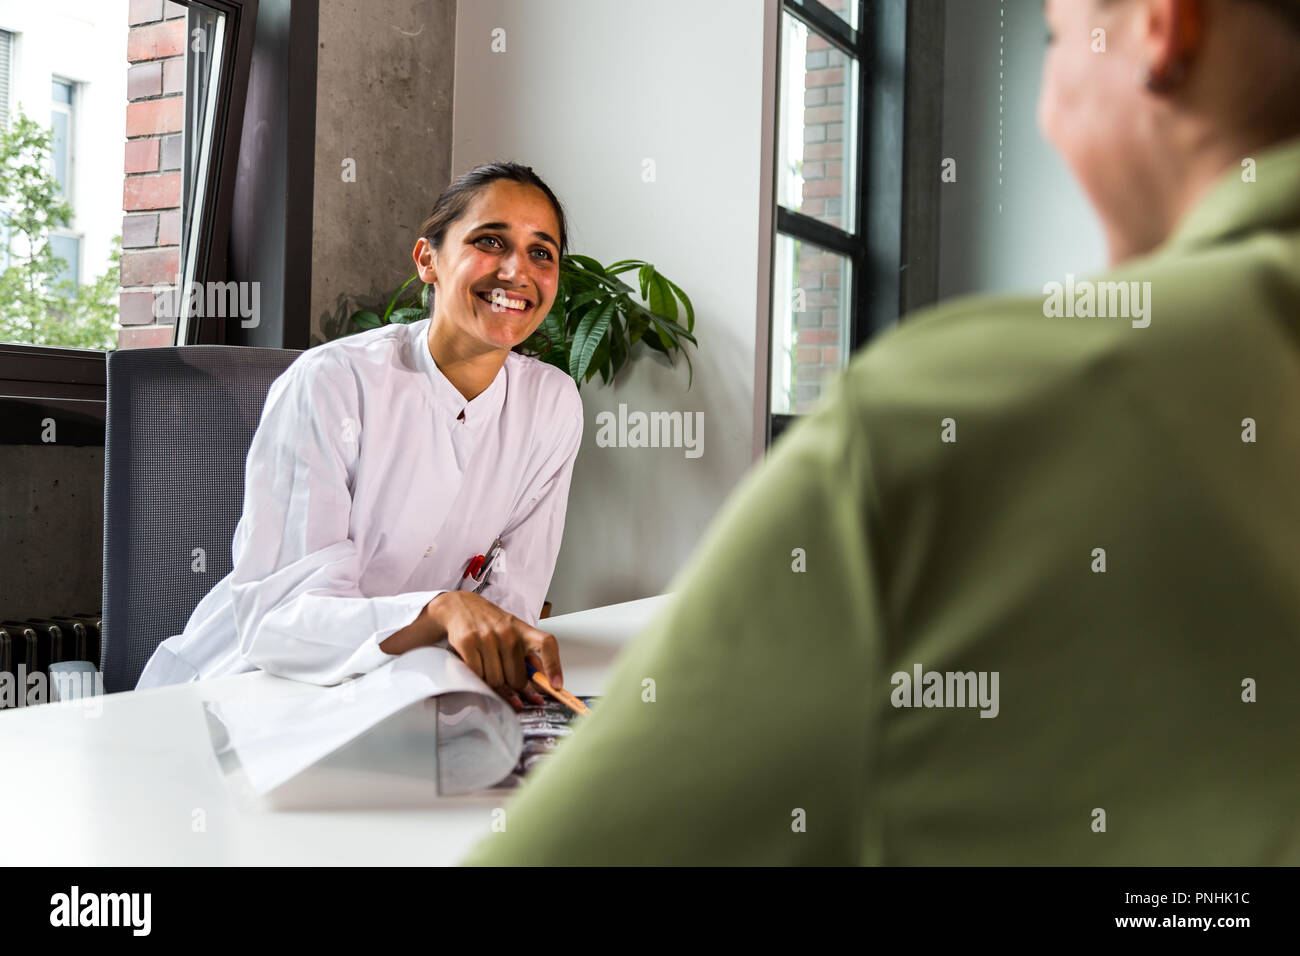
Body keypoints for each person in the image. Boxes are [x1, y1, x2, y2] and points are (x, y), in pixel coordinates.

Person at [463, 0, 1300, 863]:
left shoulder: (953, 416)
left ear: (1162, 29)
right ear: (430, 260)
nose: (518, 275)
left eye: (1056, 37)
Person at [137, 162, 582, 709]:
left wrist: (499, 655)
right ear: (428, 260)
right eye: (490, 241)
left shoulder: (552, 404)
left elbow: (512, 600)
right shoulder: (333, 381)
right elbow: (282, 624)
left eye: (542, 252)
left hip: (413, 686)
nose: (517, 271)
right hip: (251, 688)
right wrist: (440, 612)